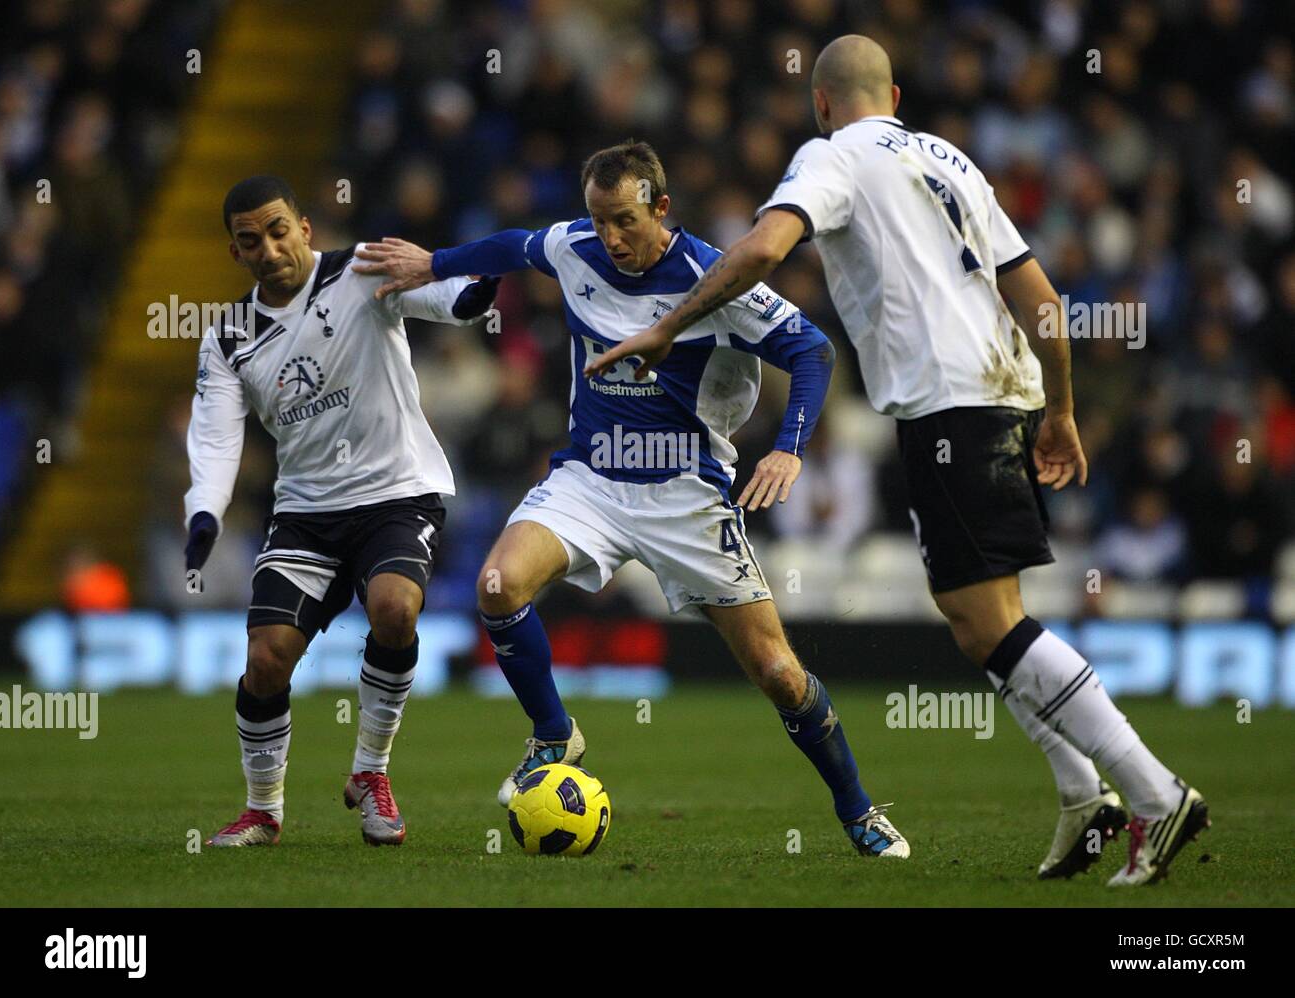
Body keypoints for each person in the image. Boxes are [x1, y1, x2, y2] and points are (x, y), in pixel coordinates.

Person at [585, 39, 1208, 886]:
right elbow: (1045, 304)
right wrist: (1059, 410)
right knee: (976, 616)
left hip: (949, 404)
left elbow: (766, 249)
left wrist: (664, 326)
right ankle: (1081, 794)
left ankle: (1154, 793)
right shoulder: (952, 160)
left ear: (821, 103)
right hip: (1002, 394)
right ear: (896, 93)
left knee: (985, 621)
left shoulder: (831, 156)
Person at [354, 140, 909, 857]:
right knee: (498, 584)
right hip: (591, 477)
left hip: (687, 494)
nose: (610, 238)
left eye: (624, 220)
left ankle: (858, 809)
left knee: (777, 672)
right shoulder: (576, 247)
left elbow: (813, 350)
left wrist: (787, 447)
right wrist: (433, 263)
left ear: (661, 207)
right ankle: (555, 734)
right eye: (598, 219)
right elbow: (511, 247)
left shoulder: (716, 276)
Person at [184, 175, 498, 846]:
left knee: (395, 608)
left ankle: (371, 774)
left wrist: (474, 287)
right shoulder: (229, 337)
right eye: (249, 241)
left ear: (304, 228)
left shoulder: (362, 270)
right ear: (235, 254)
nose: (268, 249)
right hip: (306, 513)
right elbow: (215, 435)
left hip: (395, 492)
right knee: (267, 661)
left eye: (277, 230)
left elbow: (447, 297)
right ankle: (263, 812)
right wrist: (204, 512)